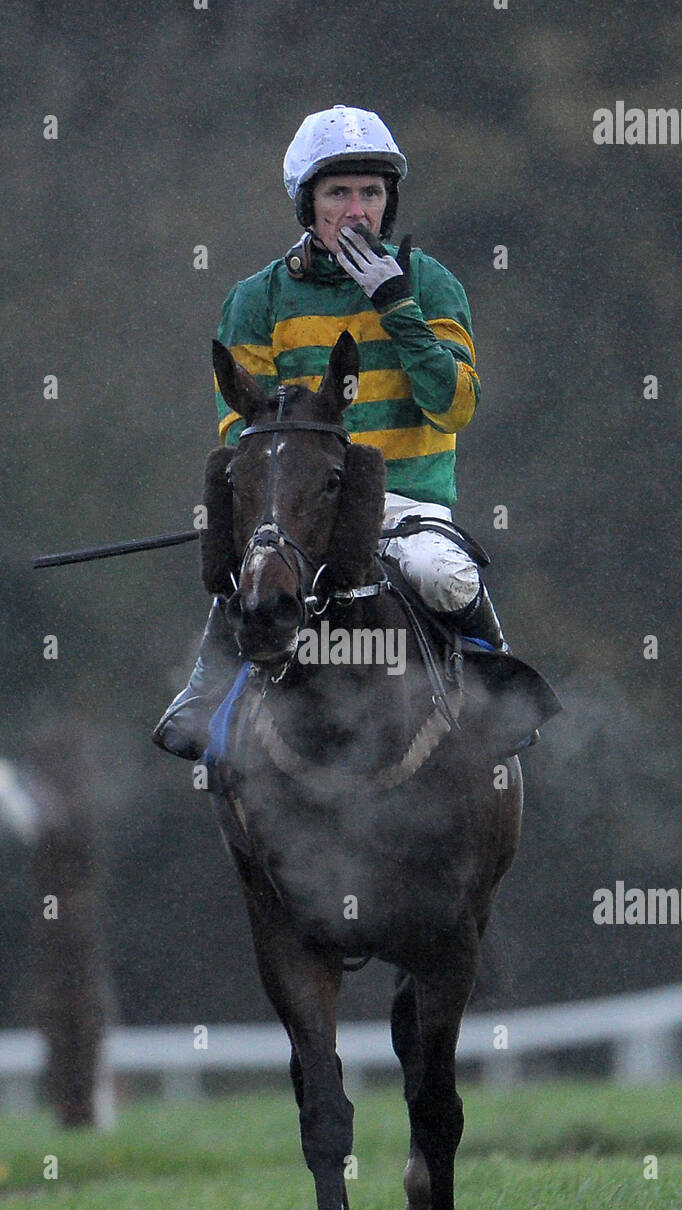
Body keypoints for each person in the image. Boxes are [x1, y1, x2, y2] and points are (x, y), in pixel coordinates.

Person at [153, 104, 508, 760]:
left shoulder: (431, 285)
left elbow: (455, 407)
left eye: (371, 193)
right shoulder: (255, 301)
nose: (356, 210)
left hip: (407, 506)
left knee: (445, 576)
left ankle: (501, 682)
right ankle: (205, 695)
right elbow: (242, 429)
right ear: (306, 204)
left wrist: (398, 307)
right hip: (298, 508)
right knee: (251, 578)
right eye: (338, 193)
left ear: (388, 202)